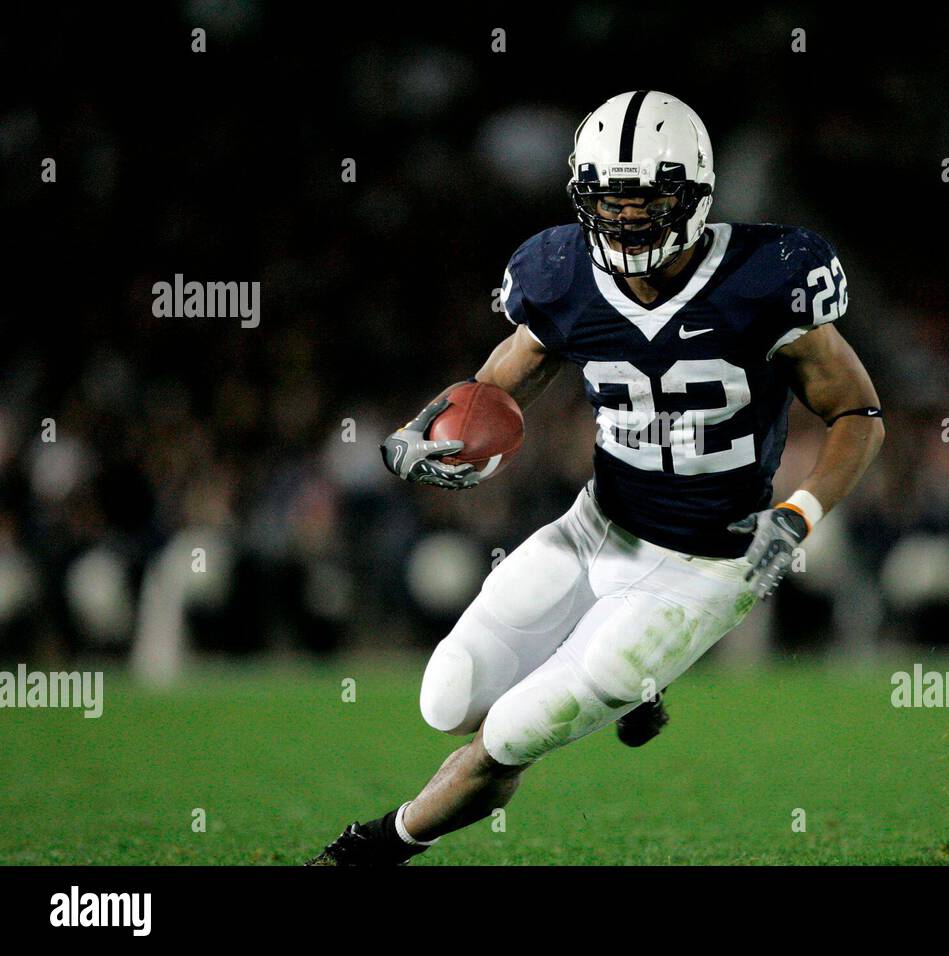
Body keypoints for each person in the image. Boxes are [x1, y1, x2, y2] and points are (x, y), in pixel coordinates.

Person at [307, 90, 885, 865]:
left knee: (511, 734)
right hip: (597, 527)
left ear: (696, 194)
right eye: (609, 201)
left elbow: (858, 413)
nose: (626, 219)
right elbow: (497, 385)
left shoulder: (766, 275)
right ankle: (635, 679)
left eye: (647, 201)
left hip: (711, 559)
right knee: (448, 697)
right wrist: (428, 431)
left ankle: (367, 850)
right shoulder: (562, 273)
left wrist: (800, 512)